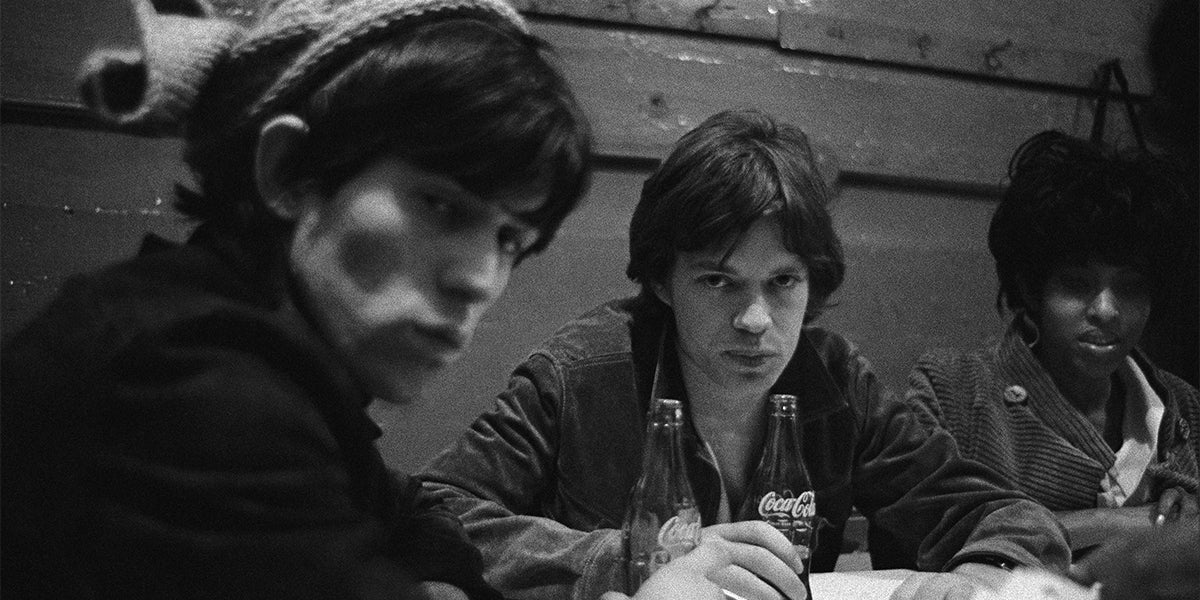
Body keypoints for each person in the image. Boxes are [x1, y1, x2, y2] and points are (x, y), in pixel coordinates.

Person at [0, 0, 594, 597]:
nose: (480, 280)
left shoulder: (260, 351)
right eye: (441, 205)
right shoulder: (194, 391)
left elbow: (407, 506)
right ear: (286, 172)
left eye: (511, 239)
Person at [419, 109, 1072, 600]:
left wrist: (982, 579)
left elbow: (1000, 513)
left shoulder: (837, 378)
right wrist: (626, 559)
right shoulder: (584, 371)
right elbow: (433, 511)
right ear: (660, 281)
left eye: (783, 282)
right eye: (718, 281)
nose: (757, 320)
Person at [906, 130, 1200, 559]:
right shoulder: (953, 392)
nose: (1106, 310)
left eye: (1132, 288)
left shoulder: (1184, 408)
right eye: (1077, 284)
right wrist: (1126, 521)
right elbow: (919, 538)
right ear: (1030, 287)